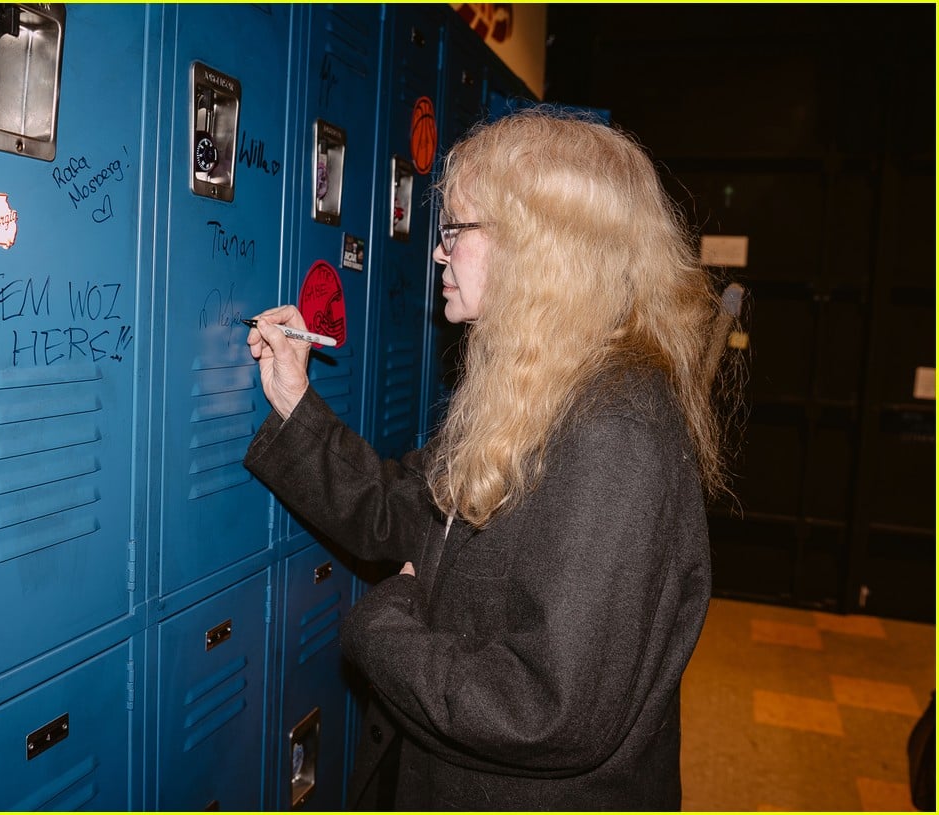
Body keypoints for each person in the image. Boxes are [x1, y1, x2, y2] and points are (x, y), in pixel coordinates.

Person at [243, 108, 736, 811]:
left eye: (456, 232)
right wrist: (294, 399)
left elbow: (546, 708)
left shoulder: (616, 428)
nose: (438, 253)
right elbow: (398, 509)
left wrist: (383, 627)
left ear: (541, 246)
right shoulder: (539, 388)